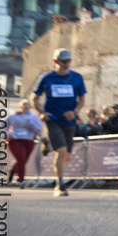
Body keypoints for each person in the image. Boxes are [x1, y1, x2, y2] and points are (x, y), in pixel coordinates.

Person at [32, 48, 87, 197]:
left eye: (69, 61)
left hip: (69, 121)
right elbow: (34, 99)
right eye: (63, 61)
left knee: (66, 156)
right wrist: (42, 113)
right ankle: (60, 185)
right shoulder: (46, 78)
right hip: (53, 120)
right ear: (55, 61)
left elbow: (82, 100)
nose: (67, 64)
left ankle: (49, 145)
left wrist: (74, 112)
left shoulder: (77, 78)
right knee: (62, 152)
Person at [5, 99, 42, 185]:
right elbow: (2, 125)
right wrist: (7, 134)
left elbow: (39, 129)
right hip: (15, 140)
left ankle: (12, 171)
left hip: (28, 140)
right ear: (20, 106)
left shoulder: (33, 117)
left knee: (23, 160)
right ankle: (21, 179)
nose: (26, 106)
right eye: (24, 105)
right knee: (21, 159)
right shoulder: (12, 116)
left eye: (27, 105)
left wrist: (31, 123)